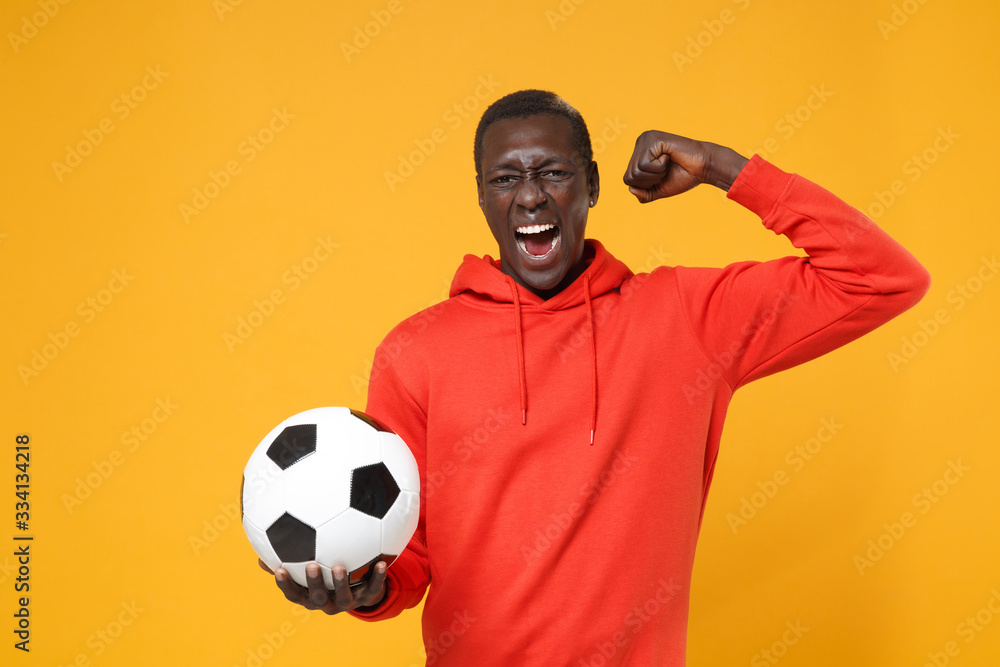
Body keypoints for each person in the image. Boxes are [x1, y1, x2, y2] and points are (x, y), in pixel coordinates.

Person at [259, 90, 930, 665]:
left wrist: (724, 168)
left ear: (594, 184)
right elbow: (409, 559)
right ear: (482, 194)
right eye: (505, 178)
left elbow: (882, 277)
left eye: (552, 172)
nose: (529, 197)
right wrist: (365, 589)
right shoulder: (416, 351)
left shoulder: (687, 320)